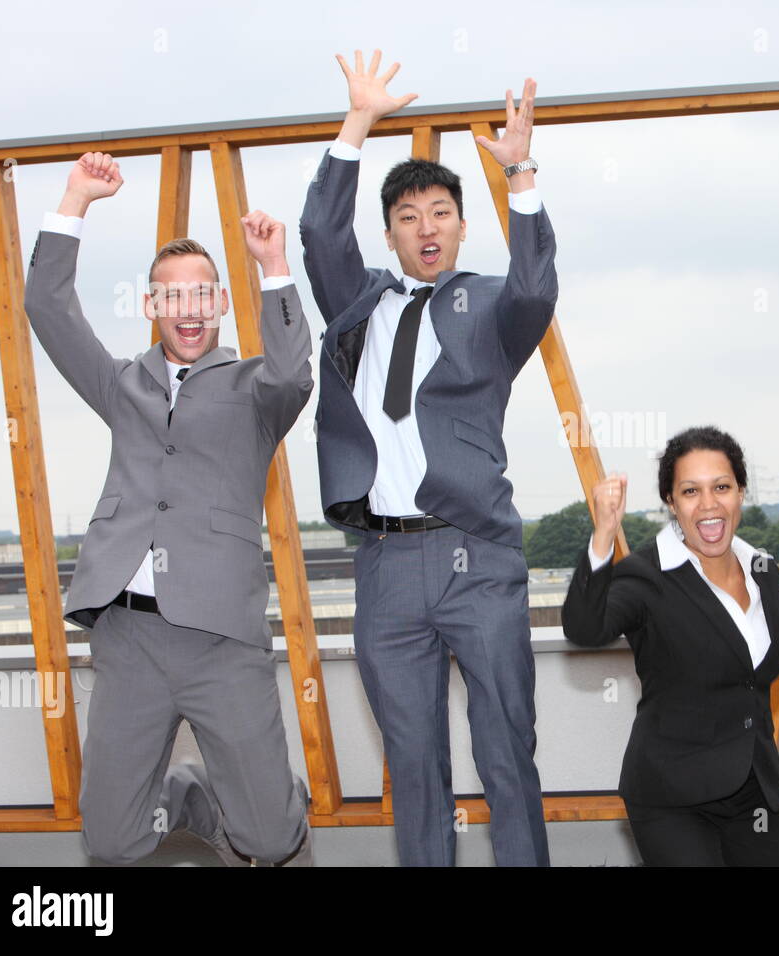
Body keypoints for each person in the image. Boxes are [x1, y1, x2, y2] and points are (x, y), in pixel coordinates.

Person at [299, 51, 556, 867]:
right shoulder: (359, 301)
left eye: (441, 211)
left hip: (475, 552)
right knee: (412, 765)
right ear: (390, 233)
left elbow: (538, 290)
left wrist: (521, 176)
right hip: (383, 562)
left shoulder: (488, 305)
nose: (427, 228)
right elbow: (316, 231)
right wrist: (358, 121)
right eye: (409, 216)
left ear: (460, 223)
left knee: (506, 750)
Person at [24, 152, 313, 866]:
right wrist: (75, 199)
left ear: (218, 303)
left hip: (221, 635)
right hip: (128, 636)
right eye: (171, 296)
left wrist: (272, 263)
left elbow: (293, 371)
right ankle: (186, 794)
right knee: (111, 840)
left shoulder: (255, 391)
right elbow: (45, 309)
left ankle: (246, 806)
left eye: (201, 294)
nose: (187, 309)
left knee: (270, 839)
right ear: (152, 307)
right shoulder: (121, 385)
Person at [562, 427, 779, 866]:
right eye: (690, 491)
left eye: (721, 487)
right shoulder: (646, 576)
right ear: (671, 501)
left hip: (752, 793)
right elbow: (586, 628)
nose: (708, 504)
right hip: (671, 799)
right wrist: (604, 534)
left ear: (741, 491)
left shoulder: (761, 570)